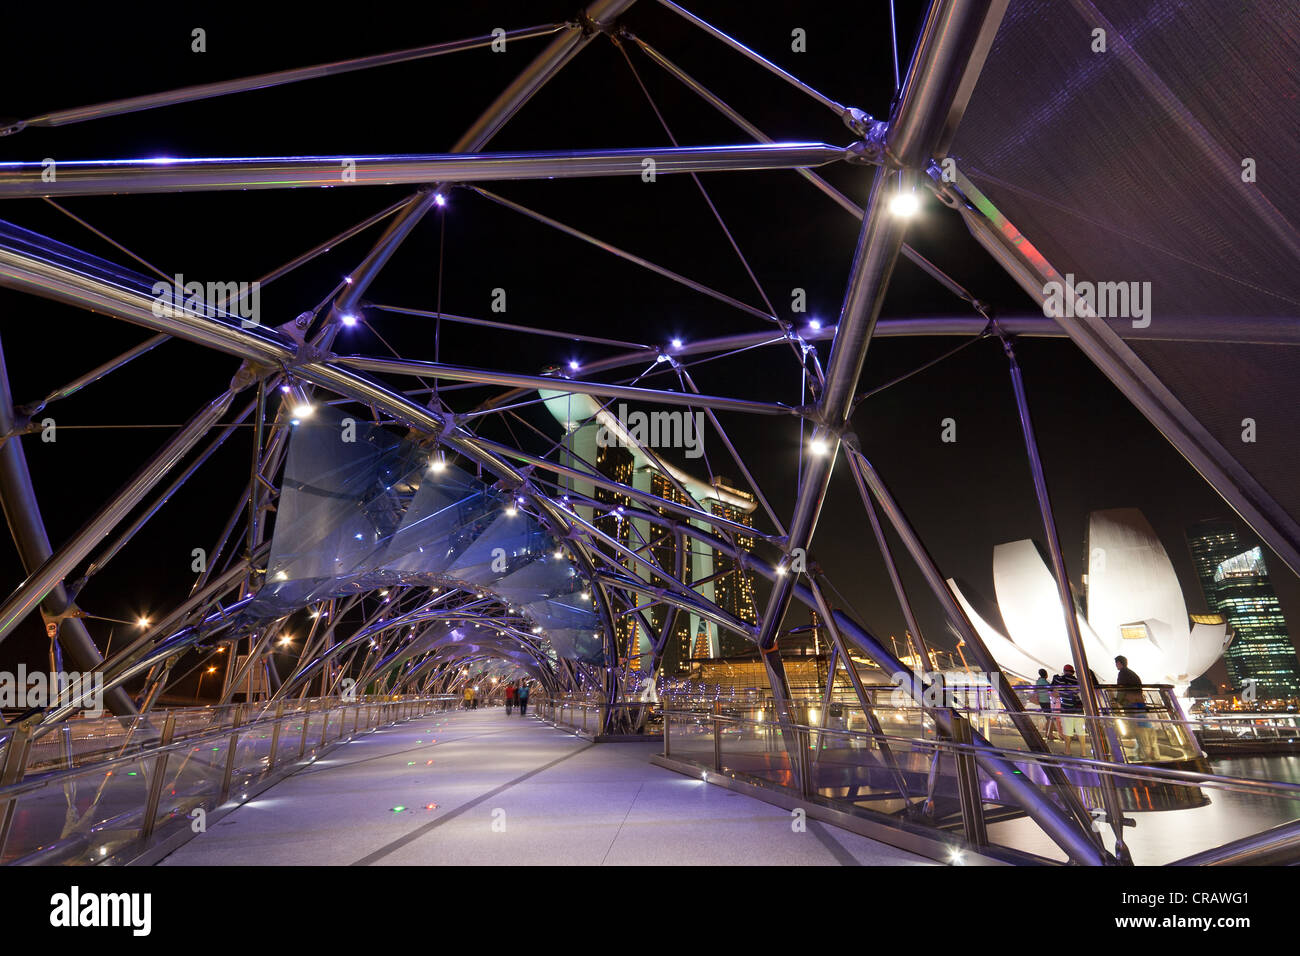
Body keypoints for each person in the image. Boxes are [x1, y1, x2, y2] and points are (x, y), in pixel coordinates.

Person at [1115, 655, 1151, 759]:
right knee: (1143, 726)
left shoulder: (1122, 674)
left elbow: (1120, 689)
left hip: (1131, 703)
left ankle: (1143, 753)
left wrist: (1119, 701)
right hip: (1140, 703)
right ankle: (1144, 751)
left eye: (1116, 663)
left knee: (1136, 727)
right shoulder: (1132, 673)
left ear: (1119, 663)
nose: (1116, 666)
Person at [1052, 664, 1084, 755]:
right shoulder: (1077, 681)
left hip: (1067, 709)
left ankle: (1067, 751)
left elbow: (1055, 694)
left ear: (1064, 671)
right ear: (1073, 672)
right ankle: (1083, 752)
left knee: (1067, 730)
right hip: (1078, 708)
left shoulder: (1059, 680)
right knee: (1081, 731)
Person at [1034, 668, 1058, 740]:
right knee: (1050, 719)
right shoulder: (1044, 682)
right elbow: (1051, 689)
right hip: (1046, 702)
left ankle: (1048, 734)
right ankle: (1049, 735)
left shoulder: (1038, 681)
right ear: (1046, 674)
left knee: (1049, 718)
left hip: (1042, 701)